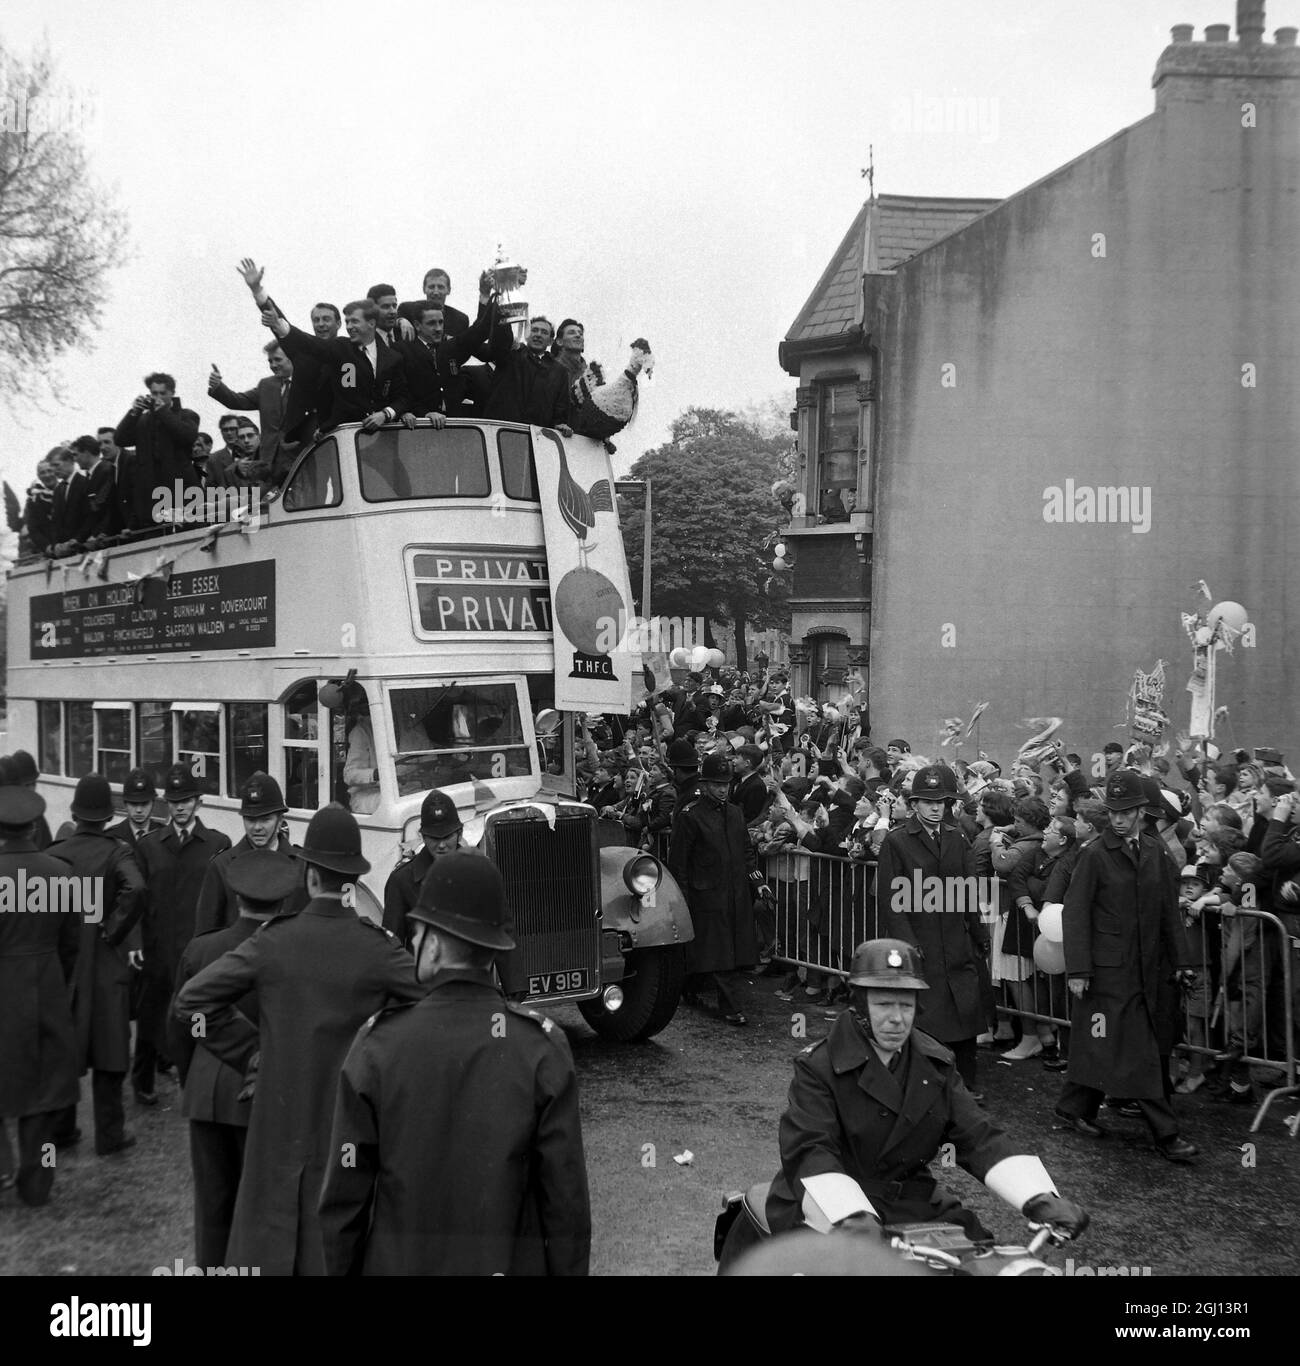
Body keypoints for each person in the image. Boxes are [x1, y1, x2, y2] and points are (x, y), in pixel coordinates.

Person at [174, 805, 426, 1276]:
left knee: (265, 1244)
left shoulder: (273, 941)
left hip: (274, 1125)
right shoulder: (378, 949)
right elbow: (431, 1010)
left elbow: (193, 1002)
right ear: (353, 877)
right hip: (345, 1129)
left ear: (309, 875)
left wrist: (250, 1053)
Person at [319, 853, 591, 1275]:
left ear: (436, 940)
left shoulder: (377, 1045)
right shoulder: (541, 1048)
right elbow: (566, 1201)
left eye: (417, 930)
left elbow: (344, 1195)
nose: (410, 942)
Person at [765, 939, 1089, 1245]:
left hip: (909, 1199)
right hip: (827, 1201)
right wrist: (849, 1215)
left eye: (906, 1005)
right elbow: (810, 1150)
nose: (897, 1019)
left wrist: (1038, 1198)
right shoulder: (818, 1066)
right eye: (883, 1005)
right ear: (859, 1005)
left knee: (981, 1255)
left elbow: (978, 1134)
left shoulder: (936, 1062)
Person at [1054, 770, 1199, 1163]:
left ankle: (1073, 1107)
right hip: (1108, 971)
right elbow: (1076, 914)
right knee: (1139, 1050)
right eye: (1113, 812)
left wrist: (1183, 960)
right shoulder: (1095, 855)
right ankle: (1166, 1134)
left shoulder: (1156, 852)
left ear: (1141, 812)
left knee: (1104, 1043)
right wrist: (1079, 970)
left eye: (1126, 812)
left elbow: (1170, 910)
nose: (1118, 819)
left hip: (1150, 967)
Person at [169, 850, 302, 1268]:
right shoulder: (292, 950)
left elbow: (179, 1030)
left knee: (212, 1208)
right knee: (262, 1208)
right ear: (282, 902)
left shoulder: (201, 948)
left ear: (236, 896)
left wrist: (193, 1080)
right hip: (266, 1092)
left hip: (208, 1092)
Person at [46, 775, 146, 1158]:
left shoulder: (56, 851)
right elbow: (136, 889)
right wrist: (114, 928)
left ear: (74, 812)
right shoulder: (118, 851)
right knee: (110, 1047)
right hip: (105, 960)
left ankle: (62, 1129)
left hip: (65, 963)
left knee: (63, 1047)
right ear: (108, 815)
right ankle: (109, 1134)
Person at [875, 764, 987, 1092]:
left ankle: (965, 1086)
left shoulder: (956, 838)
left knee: (964, 1012)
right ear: (914, 805)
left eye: (942, 802)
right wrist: (908, 944)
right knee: (927, 1015)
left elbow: (968, 890)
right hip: (921, 942)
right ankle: (923, 1084)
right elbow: (891, 901)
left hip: (955, 940)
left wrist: (978, 932)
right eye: (928, 802)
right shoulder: (897, 843)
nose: (937, 808)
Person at [131, 764, 233, 1106]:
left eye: (186, 800)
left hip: (197, 953)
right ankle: (142, 1082)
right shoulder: (148, 847)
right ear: (166, 803)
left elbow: (223, 904)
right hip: (158, 951)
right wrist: (137, 944)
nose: (180, 807)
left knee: (198, 1021)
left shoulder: (218, 845)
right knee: (150, 1020)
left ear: (199, 802)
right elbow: (137, 901)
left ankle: (196, 1084)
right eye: (174, 800)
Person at [0, 787, 79, 1205]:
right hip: (47, 986)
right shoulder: (63, 873)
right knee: (44, 1095)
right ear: (34, 826)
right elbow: (73, 943)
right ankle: (39, 1179)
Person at [243, 260, 410, 433]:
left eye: (354, 321)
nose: (350, 326)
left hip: (378, 435)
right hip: (329, 436)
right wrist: (261, 297)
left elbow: (400, 396)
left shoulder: (390, 357)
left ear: (370, 323)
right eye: (316, 320)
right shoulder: (341, 349)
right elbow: (302, 340)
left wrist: (386, 414)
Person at [669, 752, 765, 1025]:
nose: (722, 789)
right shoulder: (690, 816)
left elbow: (746, 851)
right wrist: (682, 899)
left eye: (726, 784)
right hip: (705, 895)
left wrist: (758, 882)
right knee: (719, 953)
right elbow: (679, 862)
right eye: (716, 784)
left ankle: (688, 987)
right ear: (705, 784)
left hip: (734, 893)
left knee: (723, 950)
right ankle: (730, 1007)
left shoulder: (735, 813)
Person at [193, 773, 306, 936]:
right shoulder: (222, 866)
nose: (257, 827)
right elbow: (205, 935)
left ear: (280, 820)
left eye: (265, 819)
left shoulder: (302, 866)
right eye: (250, 820)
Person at [381, 789, 483, 946]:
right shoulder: (402, 881)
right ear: (423, 836)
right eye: (434, 838)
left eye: (447, 837)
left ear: (460, 833)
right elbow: (392, 948)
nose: (441, 845)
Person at [112, 372, 201, 532]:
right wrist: (134, 413)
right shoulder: (143, 420)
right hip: (151, 495)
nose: (158, 397)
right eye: (154, 393)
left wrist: (163, 412)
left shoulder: (187, 415)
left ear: (172, 393)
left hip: (181, 491)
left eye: (162, 393)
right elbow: (120, 439)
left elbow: (187, 436)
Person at [207, 341, 297, 481]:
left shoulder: (307, 382)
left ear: (292, 357)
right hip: (270, 465)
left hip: (300, 460)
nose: (273, 365)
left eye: (277, 360)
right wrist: (218, 386)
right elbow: (237, 400)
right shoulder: (266, 385)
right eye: (270, 361)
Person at [482, 314, 572, 428]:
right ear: (527, 335)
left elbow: (561, 408)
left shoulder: (560, 371)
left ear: (550, 341)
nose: (538, 335)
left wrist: (559, 424)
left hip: (536, 438)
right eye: (534, 330)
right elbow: (498, 338)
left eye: (544, 332)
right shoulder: (511, 354)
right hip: (500, 432)